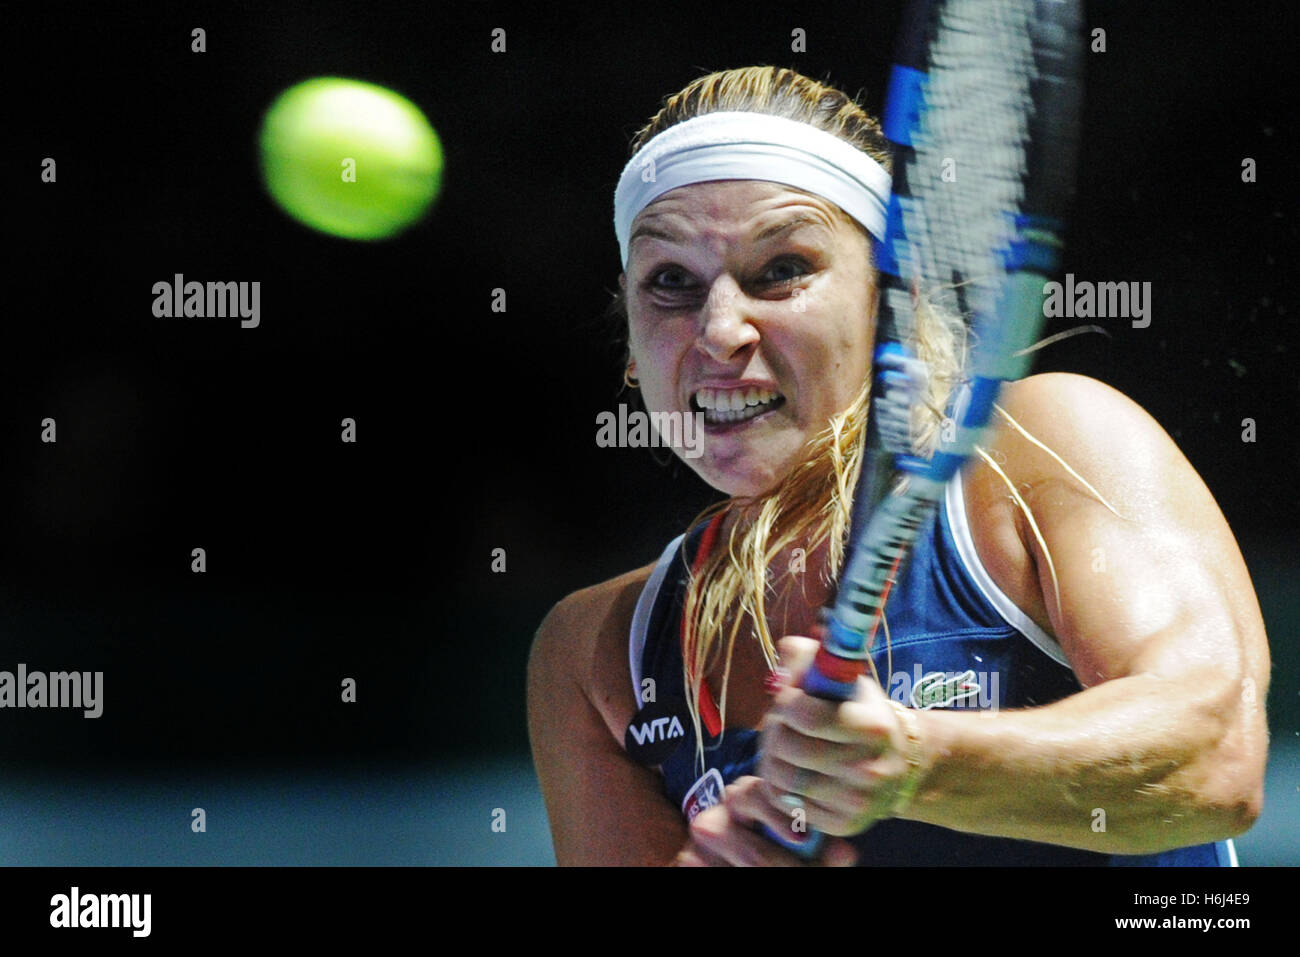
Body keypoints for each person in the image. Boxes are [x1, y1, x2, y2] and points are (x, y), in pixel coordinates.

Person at [527, 66, 1270, 866]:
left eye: (781, 269)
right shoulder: (596, 653)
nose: (719, 330)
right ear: (630, 341)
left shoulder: (1042, 445)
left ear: (895, 295)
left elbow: (1217, 755)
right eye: (670, 281)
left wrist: (919, 761)